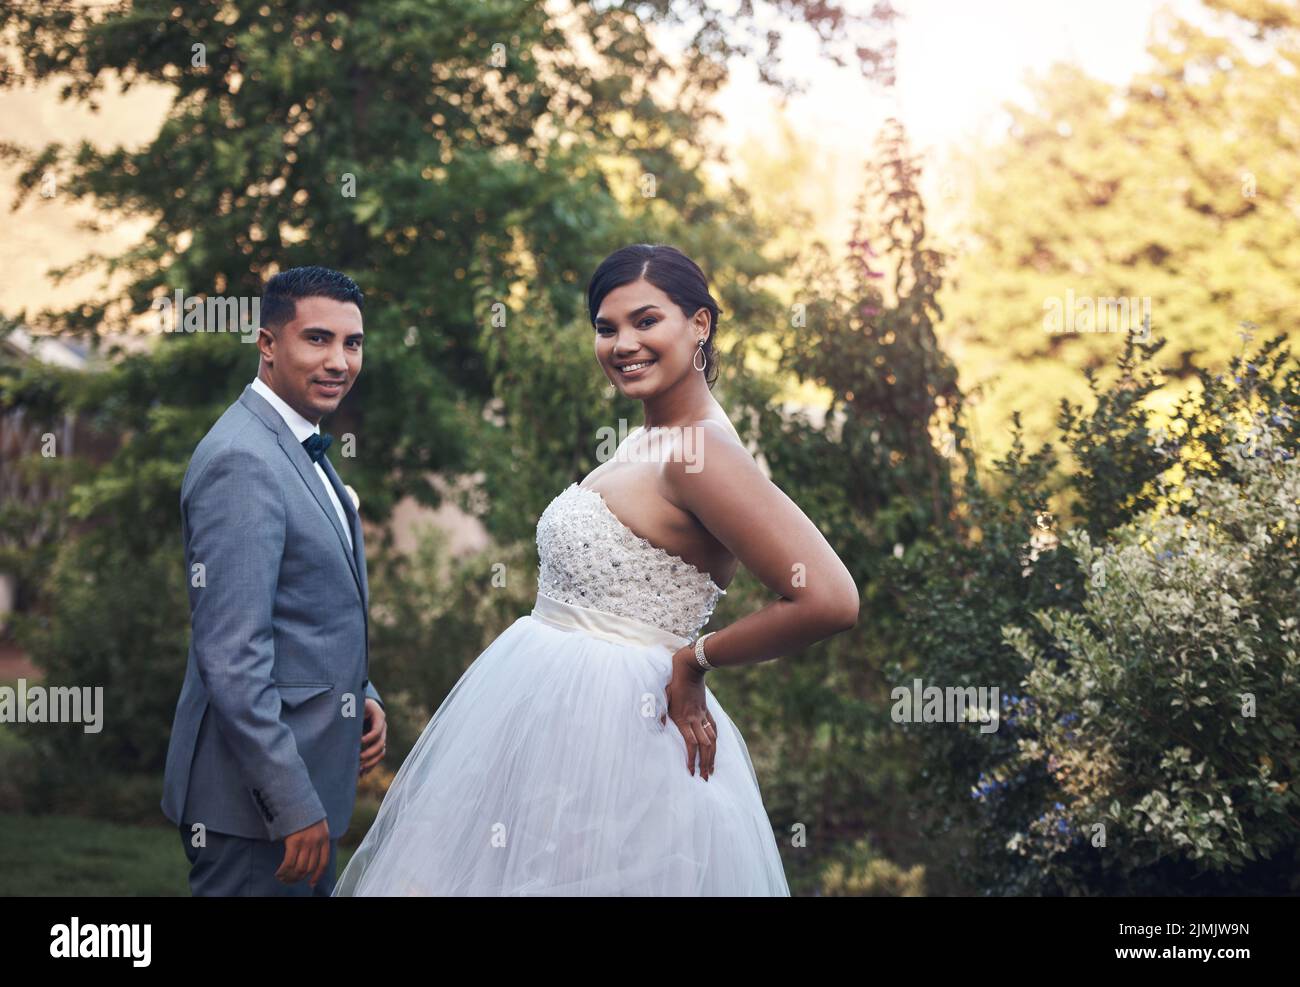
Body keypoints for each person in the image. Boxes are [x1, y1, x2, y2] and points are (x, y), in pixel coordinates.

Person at [334, 244, 857, 895]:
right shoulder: (647, 436)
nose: (623, 343)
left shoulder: (701, 453)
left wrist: (697, 658)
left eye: (646, 321)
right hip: (546, 725)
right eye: (606, 328)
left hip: (622, 739)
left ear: (700, 325)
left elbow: (829, 598)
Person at [161, 266, 388, 896]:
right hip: (254, 810)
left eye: (353, 343)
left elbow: (307, 608)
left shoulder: (299, 442)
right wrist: (290, 804)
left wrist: (359, 692)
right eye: (317, 339)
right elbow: (232, 655)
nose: (340, 361)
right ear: (267, 345)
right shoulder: (243, 460)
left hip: (304, 781)